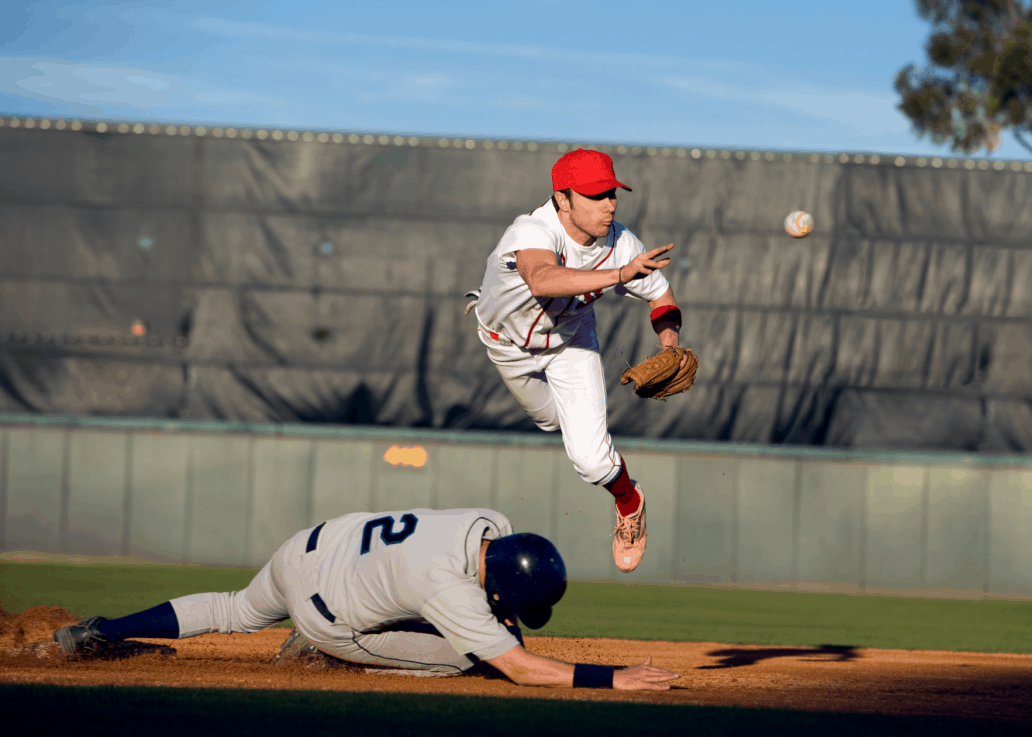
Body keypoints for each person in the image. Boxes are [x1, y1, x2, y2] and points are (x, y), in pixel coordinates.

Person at [52, 508, 680, 690]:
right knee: (475, 656)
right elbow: (519, 668)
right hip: (328, 617)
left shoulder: (487, 521)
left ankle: (101, 629)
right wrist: (612, 677)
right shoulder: (445, 585)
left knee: (234, 609)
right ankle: (319, 653)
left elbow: (484, 585)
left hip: (310, 546)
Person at [469, 148, 688, 573]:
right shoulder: (532, 229)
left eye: (611, 193)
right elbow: (543, 278)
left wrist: (670, 344)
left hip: (571, 342)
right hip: (506, 344)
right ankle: (570, 429)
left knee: (589, 459)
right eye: (594, 195)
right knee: (551, 422)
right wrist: (620, 276)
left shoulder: (622, 243)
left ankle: (630, 502)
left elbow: (661, 294)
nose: (609, 204)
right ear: (562, 199)